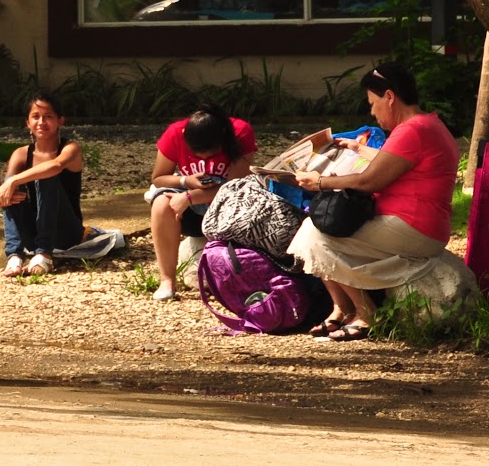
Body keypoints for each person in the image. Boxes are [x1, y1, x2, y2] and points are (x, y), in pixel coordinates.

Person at [288, 63, 459, 341]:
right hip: (420, 226)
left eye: (373, 103)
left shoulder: (412, 130)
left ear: (389, 97)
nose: (372, 111)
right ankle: (341, 310)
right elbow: (396, 163)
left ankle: (365, 314)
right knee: (316, 228)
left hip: (414, 229)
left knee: (314, 233)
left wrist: (318, 182)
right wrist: (358, 148)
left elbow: (369, 182)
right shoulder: (427, 124)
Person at [146, 103, 257, 301]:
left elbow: (235, 186)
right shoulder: (174, 133)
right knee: (161, 203)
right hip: (190, 208)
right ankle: (167, 281)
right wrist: (185, 181)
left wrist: (190, 197)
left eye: (210, 153)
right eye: (197, 154)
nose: (205, 158)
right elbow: (158, 178)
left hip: (227, 206)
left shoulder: (240, 131)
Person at [0, 91, 85, 276]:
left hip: (67, 232)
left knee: (45, 173)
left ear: (60, 121)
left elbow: (55, 166)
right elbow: (6, 191)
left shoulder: (70, 149)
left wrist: (14, 181)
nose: (41, 122)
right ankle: (14, 255)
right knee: (11, 185)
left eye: (48, 116)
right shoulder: (20, 154)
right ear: (28, 123)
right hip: (32, 234)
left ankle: (45, 254)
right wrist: (2, 197)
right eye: (35, 116)